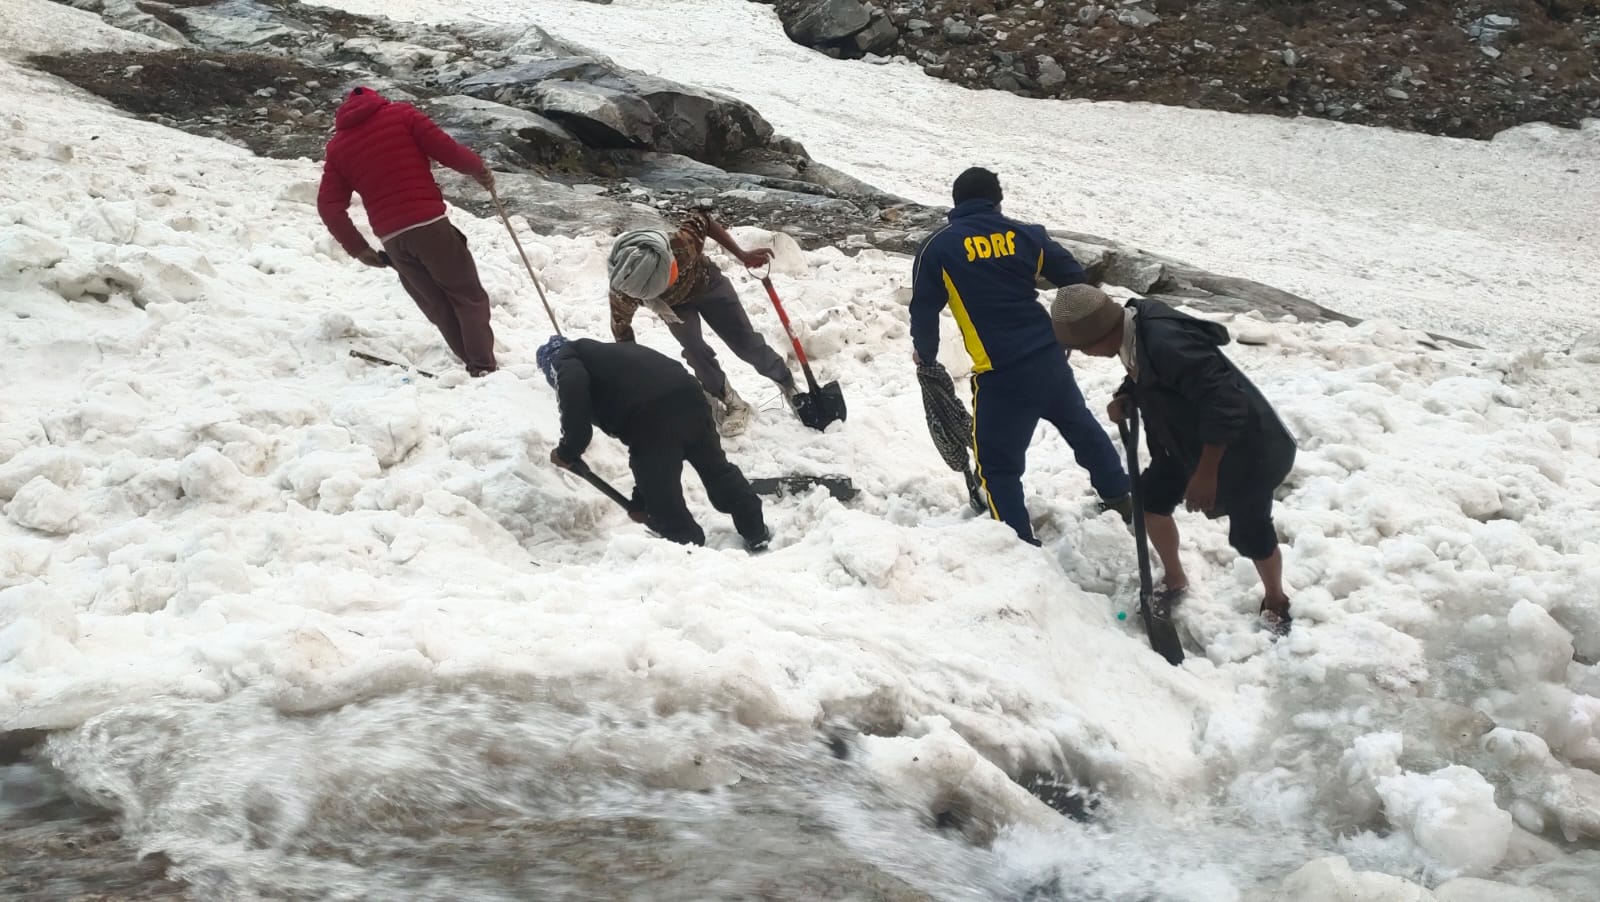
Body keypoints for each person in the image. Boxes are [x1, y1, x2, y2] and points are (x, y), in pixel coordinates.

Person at [1050, 284, 1297, 634]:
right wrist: (1127, 393)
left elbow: (1226, 401)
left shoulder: (1168, 343)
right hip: (1180, 441)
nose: (1085, 356)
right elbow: (1153, 374)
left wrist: (1207, 472)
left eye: (1083, 349)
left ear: (1102, 334)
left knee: (1253, 531)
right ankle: (1176, 578)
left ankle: (1276, 598)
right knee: (1150, 505)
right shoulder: (1132, 330)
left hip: (1243, 449)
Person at [908, 167, 1131, 545]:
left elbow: (924, 310)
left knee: (996, 466)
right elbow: (1074, 278)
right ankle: (1120, 498)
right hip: (1048, 358)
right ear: (997, 201)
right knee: (1083, 430)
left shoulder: (939, 247)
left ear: (956, 203)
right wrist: (1070, 330)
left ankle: (1016, 543)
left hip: (999, 374)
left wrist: (926, 358)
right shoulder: (1026, 235)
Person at [318, 86, 498, 377]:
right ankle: (483, 369)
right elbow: (448, 150)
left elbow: (328, 206)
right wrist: (478, 170)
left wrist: (358, 248)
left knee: (437, 304)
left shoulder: (338, 148)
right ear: (376, 100)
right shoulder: (401, 115)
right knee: (467, 295)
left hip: (393, 240)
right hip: (429, 226)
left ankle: (475, 365)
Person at [536, 335, 771, 551]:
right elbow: (647, 465)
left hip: (651, 415)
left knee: (662, 497)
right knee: (715, 469)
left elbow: (573, 390)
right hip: (688, 397)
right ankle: (754, 528)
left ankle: (687, 546)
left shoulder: (562, 358)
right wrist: (641, 501)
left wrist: (568, 450)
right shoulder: (606, 355)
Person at [607, 211, 798, 436]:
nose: (673, 280)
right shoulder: (625, 290)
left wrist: (742, 254)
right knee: (695, 351)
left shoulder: (681, 244)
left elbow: (703, 219)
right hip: (674, 308)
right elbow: (623, 335)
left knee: (745, 343)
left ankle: (787, 384)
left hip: (709, 285)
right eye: (665, 285)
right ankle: (729, 401)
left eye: (672, 274)